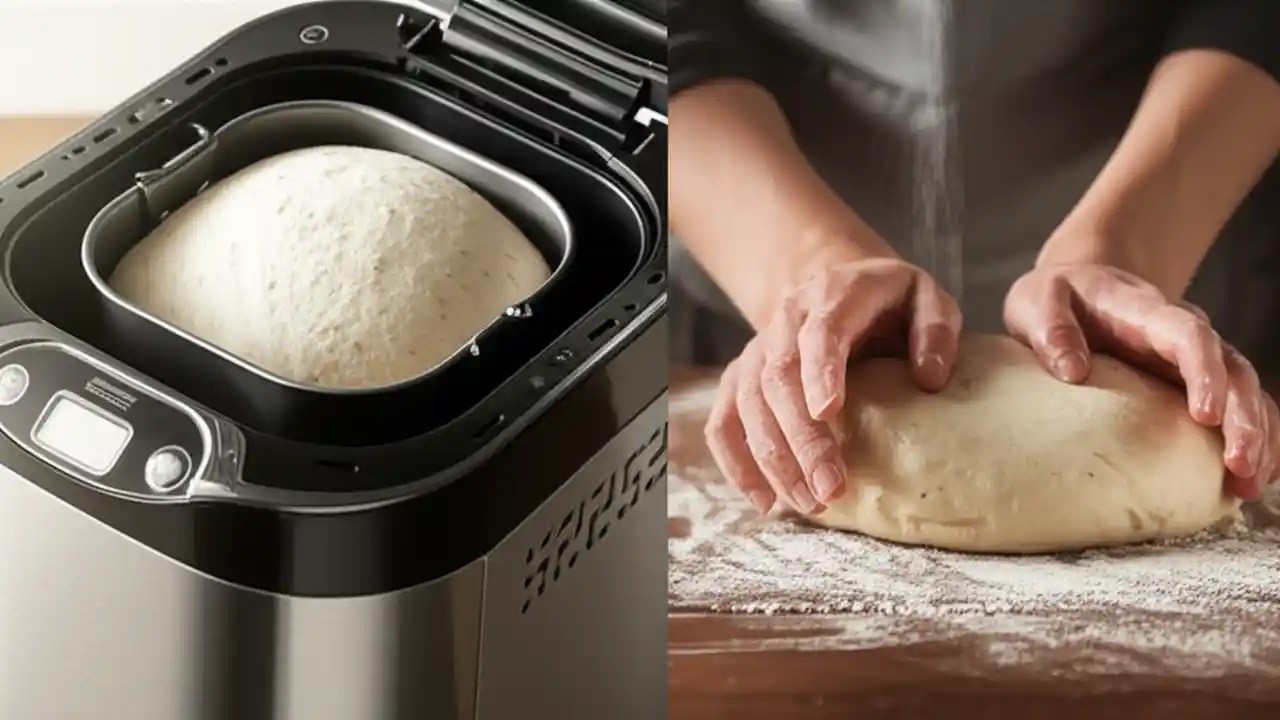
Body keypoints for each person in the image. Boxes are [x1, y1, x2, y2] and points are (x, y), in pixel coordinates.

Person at [669, 0, 1280, 516]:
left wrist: (1126, 251)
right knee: (813, 422)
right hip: (747, 200)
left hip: (1172, 201)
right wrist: (804, 267)